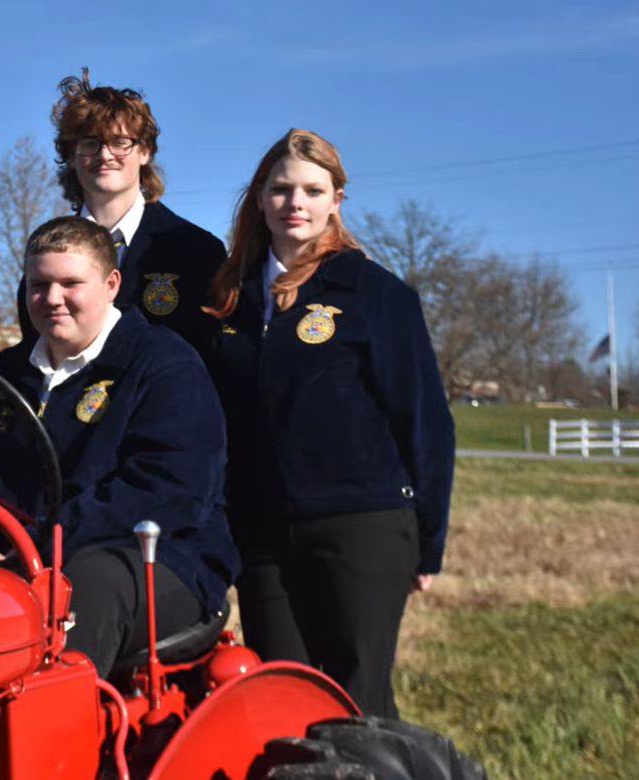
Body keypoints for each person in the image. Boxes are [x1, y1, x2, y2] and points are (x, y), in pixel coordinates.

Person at [0, 216, 239, 679]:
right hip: (20, 559)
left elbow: (170, 490)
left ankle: (50, 721)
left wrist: (42, 544)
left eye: (70, 284)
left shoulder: (164, 364)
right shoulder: (1, 376)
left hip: (158, 559)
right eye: (38, 285)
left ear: (111, 285)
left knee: (84, 586)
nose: (52, 299)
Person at [205, 129, 455, 718]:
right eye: (281, 189)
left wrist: (429, 543)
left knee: (357, 704)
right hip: (263, 537)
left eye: (313, 190)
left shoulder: (375, 295)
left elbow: (425, 423)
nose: (295, 202)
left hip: (361, 526)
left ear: (336, 200)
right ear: (259, 198)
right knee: (283, 701)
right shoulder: (229, 299)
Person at [16, 69, 226, 357]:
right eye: (90, 143)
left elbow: (210, 360)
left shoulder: (197, 250)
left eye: (119, 142)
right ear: (71, 155)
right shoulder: (44, 255)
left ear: (145, 152)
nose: (105, 155)